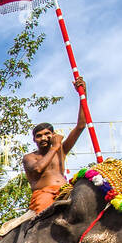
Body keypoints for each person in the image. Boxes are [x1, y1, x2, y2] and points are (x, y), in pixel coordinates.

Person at [23, 78, 88, 213]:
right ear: (34, 140)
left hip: (66, 190)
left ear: (52, 134)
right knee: (42, 219)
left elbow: (81, 126)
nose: (43, 138)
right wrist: (54, 147)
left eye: (47, 134)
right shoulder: (30, 157)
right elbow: (38, 169)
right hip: (44, 195)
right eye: (39, 136)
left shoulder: (61, 150)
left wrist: (83, 95)